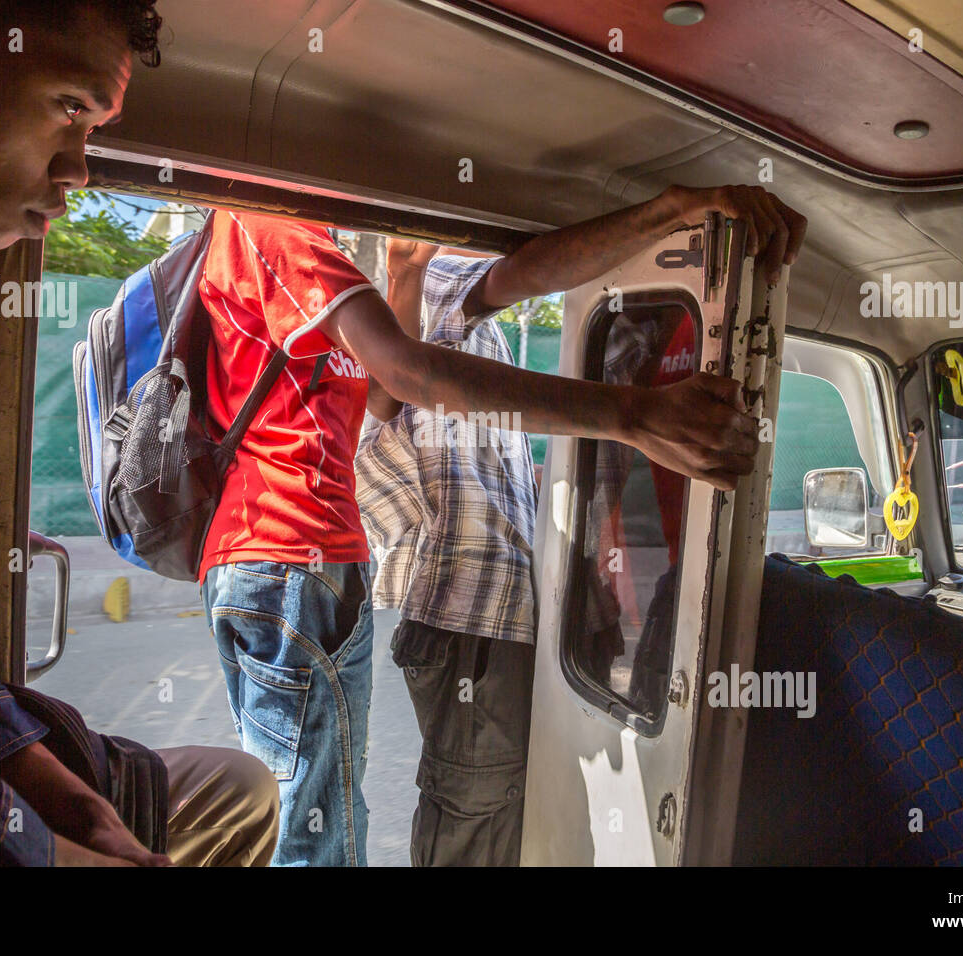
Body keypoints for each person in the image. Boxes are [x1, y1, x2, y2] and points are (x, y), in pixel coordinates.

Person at [199, 185, 802, 866]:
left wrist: (670, 212)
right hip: (465, 618)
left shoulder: (414, 300)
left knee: (386, 813)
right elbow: (403, 381)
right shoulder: (368, 294)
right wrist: (635, 413)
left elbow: (523, 273)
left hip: (488, 615)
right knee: (448, 825)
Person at [0, 0, 279, 866]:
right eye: (69, 107)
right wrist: (46, 851)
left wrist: (52, 789)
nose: (79, 171)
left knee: (242, 792)